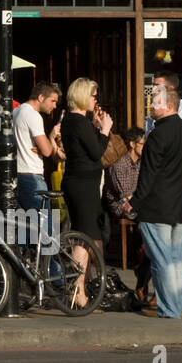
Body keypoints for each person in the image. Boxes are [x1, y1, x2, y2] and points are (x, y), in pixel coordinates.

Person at [129, 86, 182, 319]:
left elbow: (148, 175)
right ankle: (177, 306)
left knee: (162, 260)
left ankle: (169, 309)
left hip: (156, 206)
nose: (151, 106)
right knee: (178, 259)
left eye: (156, 103)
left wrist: (134, 203)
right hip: (180, 205)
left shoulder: (157, 135)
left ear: (169, 106)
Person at [60, 78, 113, 251]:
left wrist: (96, 128)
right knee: (85, 236)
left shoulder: (72, 120)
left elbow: (85, 147)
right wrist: (105, 130)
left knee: (86, 233)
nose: (95, 100)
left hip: (78, 182)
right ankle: (80, 279)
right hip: (83, 185)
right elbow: (97, 153)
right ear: (83, 96)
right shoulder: (79, 121)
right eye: (93, 96)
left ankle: (88, 277)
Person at [103, 126, 150, 304]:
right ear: (132, 144)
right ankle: (142, 259)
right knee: (148, 221)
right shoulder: (119, 164)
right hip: (121, 206)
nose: (145, 147)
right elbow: (125, 195)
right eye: (142, 143)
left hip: (137, 205)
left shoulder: (141, 163)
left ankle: (143, 257)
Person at [13, 82, 60, 212]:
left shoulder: (17, 111)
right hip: (31, 175)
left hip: (17, 173)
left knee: (26, 224)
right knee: (44, 224)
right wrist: (51, 136)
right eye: (53, 101)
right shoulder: (33, 115)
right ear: (41, 98)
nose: (55, 106)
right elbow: (47, 151)